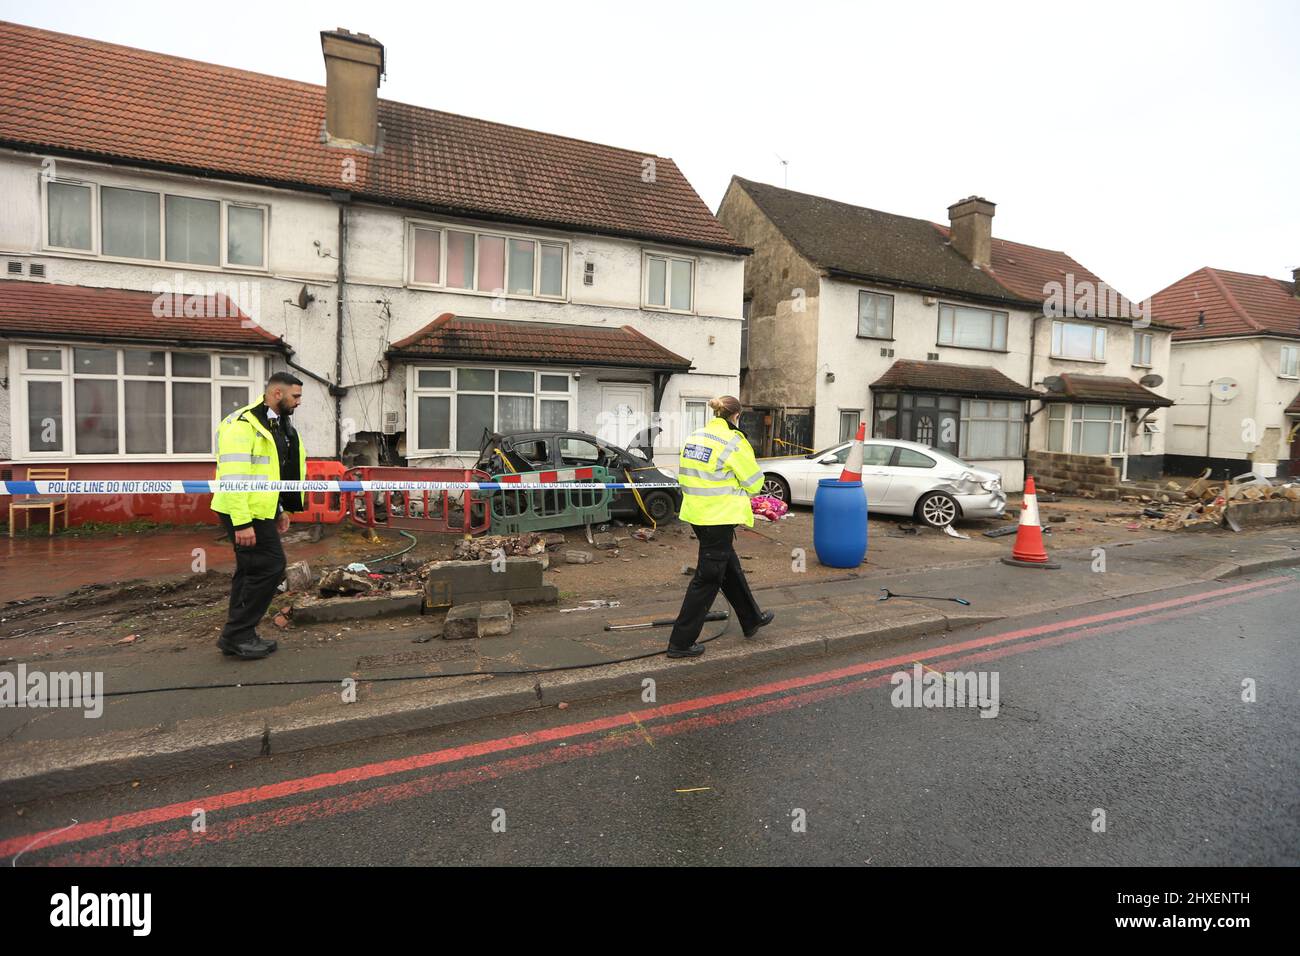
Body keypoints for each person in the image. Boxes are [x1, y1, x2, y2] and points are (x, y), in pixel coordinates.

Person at [666, 395, 775, 658]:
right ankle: (680, 643)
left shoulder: (696, 436)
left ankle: (751, 618)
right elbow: (754, 484)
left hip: (697, 515)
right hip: (719, 517)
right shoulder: (734, 441)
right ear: (736, 416)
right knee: (708, 576)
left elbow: (688, 474)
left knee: (727, 566)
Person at [210, 372, 307, 659]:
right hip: (243, 511)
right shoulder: (242, 425)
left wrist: (280, 509)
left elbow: (275, 472)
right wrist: (242, 523)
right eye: (296, 396)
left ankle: (240, 635)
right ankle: (236, 634)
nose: (299, 402)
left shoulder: (278, 425)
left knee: (252, 570)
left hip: (261, 510)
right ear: (277, 394)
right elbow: (234, 476)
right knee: (271, 567)